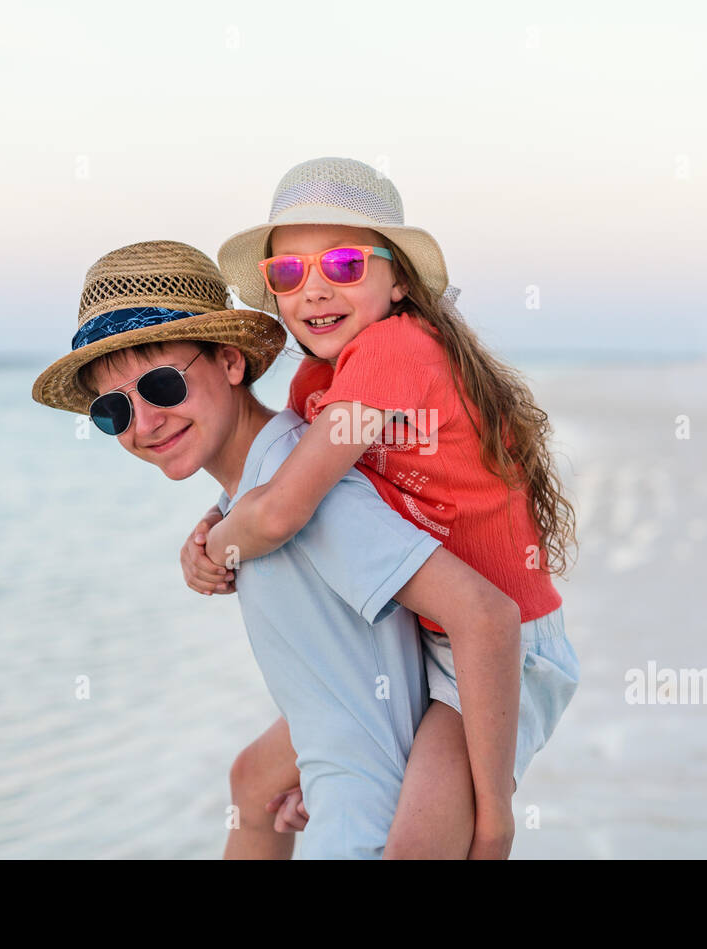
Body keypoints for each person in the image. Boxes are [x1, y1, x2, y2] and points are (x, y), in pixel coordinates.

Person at [32, 240, 522, 858]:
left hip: (361, 821)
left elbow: (483, 616)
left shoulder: (306, 495)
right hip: (339, 776)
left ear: (232, 362)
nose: (145, 422)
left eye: (160, 384)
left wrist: (490, 812)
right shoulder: (266, 484)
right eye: (114, 408)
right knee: (250, 780)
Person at [186, 157, 581, 858]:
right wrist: (216, 519)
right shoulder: (319, 376)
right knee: (255, 779)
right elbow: (272, 474)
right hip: (418, 638)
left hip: (498, 650)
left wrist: (495, 819)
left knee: (417, 848)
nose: (312, 290)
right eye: (287, 274)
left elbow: (281, 511)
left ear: (399, 278)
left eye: (342, 264)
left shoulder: (397, 349)